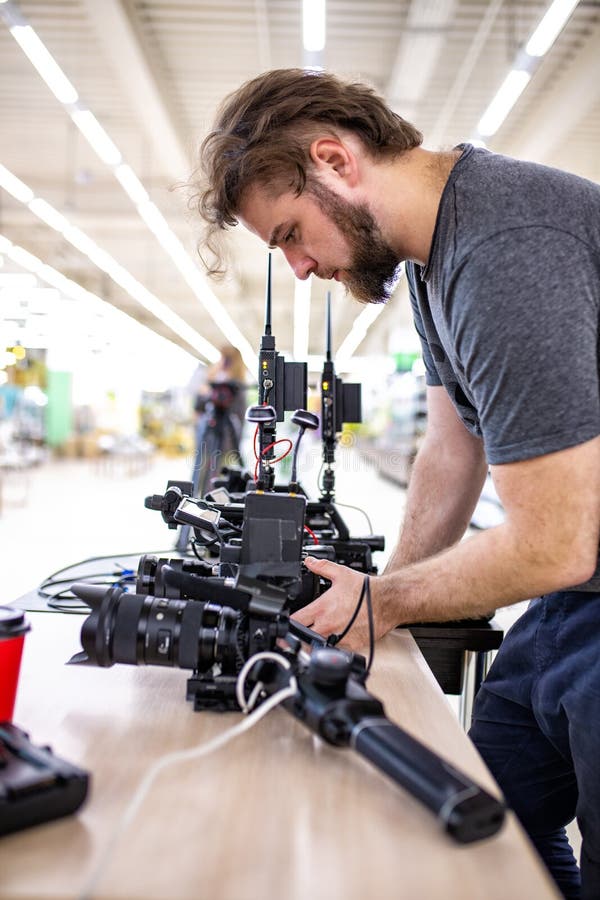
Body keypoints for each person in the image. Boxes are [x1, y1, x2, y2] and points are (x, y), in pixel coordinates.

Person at [189, 68, 600, 899]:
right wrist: (381, 604)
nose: (299, 267)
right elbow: (451, 450)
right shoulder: (429, 265)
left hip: (576, 577)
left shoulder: (504, 245)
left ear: (335, 160)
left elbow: (556, 541)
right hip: (572, 604)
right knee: (491, 825)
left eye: (290, 234)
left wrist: (388, 602)